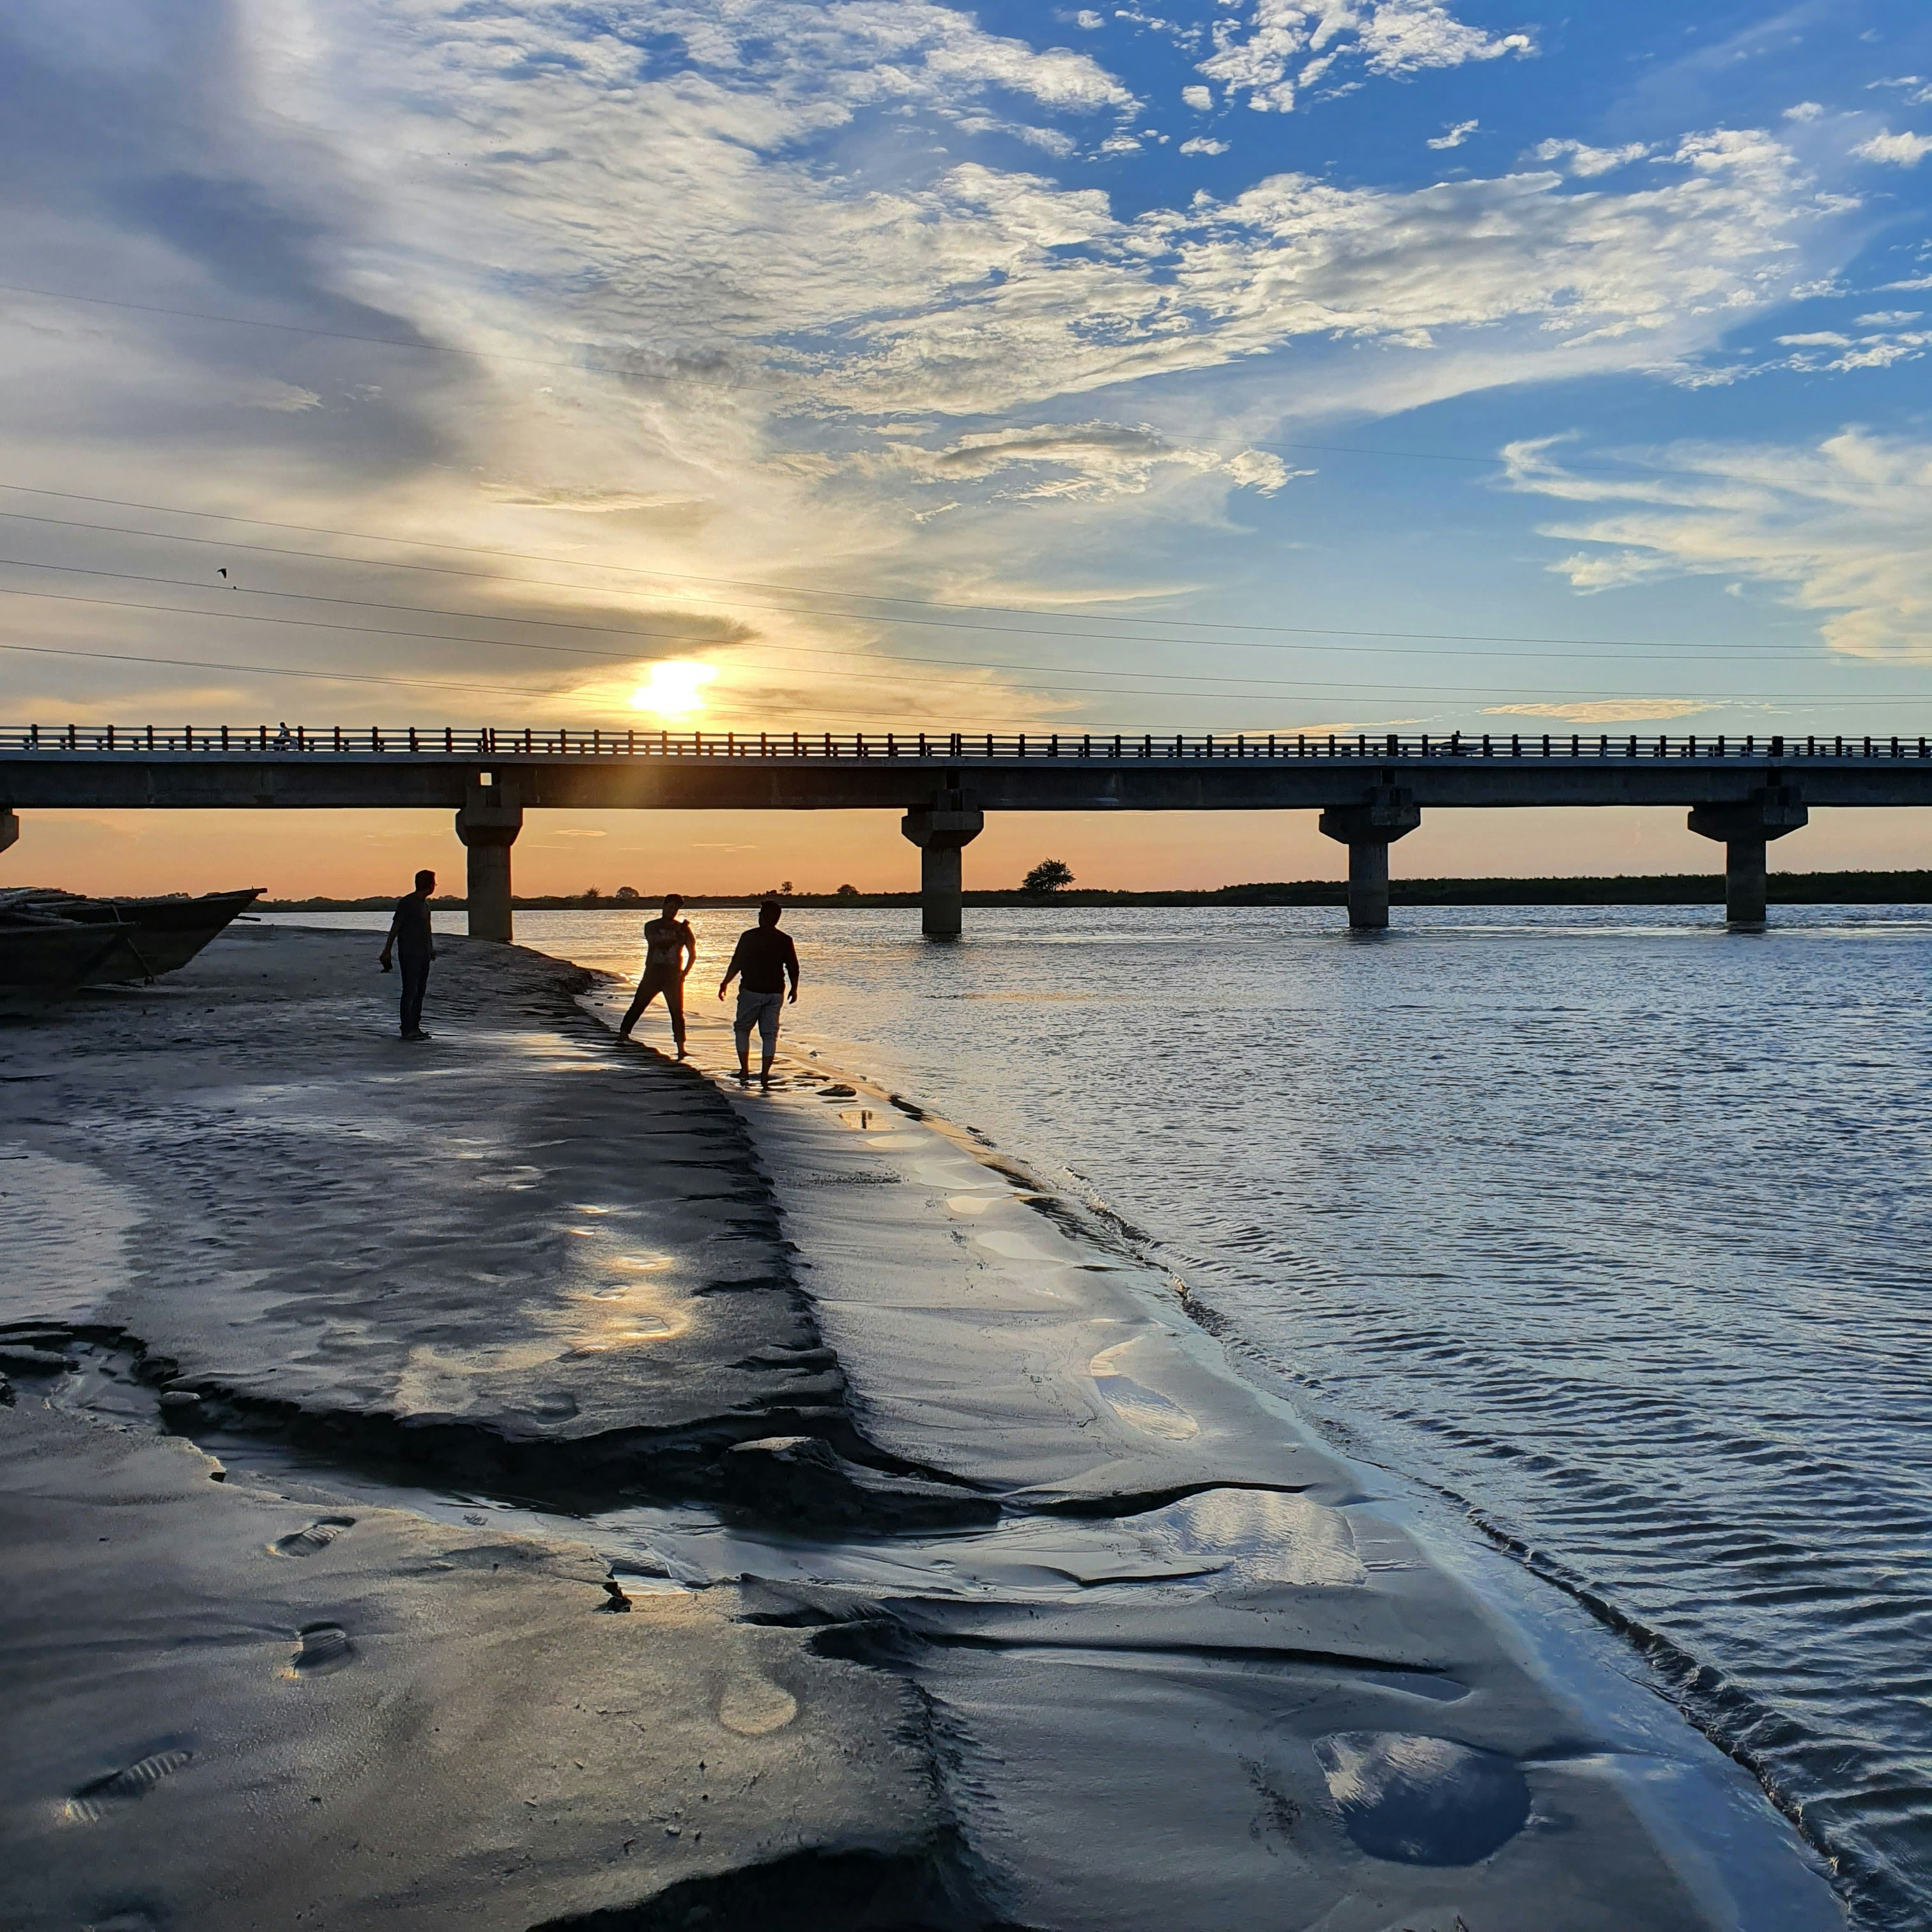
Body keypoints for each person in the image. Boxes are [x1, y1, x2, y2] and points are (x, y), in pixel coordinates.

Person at [717, 900, 799, 1087]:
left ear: (764, 918)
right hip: (775, 992)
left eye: (761, 914)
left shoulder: (748, 937)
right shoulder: (785, 940)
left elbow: (736, 963)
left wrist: (725, 983)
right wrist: (794, 988)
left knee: (742, 1029)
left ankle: (744, 1070)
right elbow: (793, 967)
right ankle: (764, 1076)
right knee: (769, 1035)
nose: (759, 916)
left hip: (751, 990)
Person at [618, 893, 696, 1056]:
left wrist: (685, 973)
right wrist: (678, 934)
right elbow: (655, 941)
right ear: (664, 906)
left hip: (673, 975)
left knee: (677, 1011)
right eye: (670, 908)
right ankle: (623, 1034)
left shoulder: (683, 929)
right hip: (653, 972)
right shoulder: (652, 926)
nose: (672, 912)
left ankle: (681, 1049)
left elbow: (692, 953)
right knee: (639, 1004)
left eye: (675, 909)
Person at [378, 868, 437, 1041]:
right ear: (429, 886)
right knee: (410, 990)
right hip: (410, 953)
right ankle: (407, 1029)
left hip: (424, 953)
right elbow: (396, 926)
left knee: (420, 991)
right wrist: (387, 949)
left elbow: (427, 930)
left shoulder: (425, 906)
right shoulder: (407, 903)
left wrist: (431, 948)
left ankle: (415, 1027)